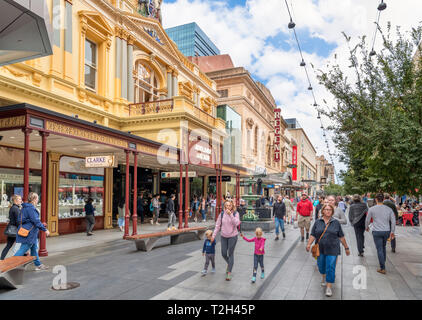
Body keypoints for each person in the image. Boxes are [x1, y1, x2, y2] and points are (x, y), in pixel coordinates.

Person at [306, 204, 350, 297]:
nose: (328, 211)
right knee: (321, 266)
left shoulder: (336, 223)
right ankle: (323, 276)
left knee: (330, 267)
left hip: (333, 248)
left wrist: (346, 247)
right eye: (326, 209)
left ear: (332, 212)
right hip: (320, 248)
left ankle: (329, 287)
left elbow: (341, 236)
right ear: (322, 211)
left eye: (330, 210)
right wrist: (309, 244)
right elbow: (313, 234)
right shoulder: (318, 222)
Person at [14, 192, 50, 271]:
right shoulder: (31, 208)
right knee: (23, 249)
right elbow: (36, 221)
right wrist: (45, 229)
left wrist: (27, 221)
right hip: (29, 233)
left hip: (28, 232)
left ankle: (38, 265)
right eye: (37, 198)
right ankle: (10, 264)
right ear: (33, 199)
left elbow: (20, 219)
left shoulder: (25, 207)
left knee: (34, 249)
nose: (38, 200)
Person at [365, 193, 396, 274]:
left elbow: (367, 220)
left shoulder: (372, 209)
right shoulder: (389, 209)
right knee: (383, 247)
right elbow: (393, 221)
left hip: (376, 231)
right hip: (386, 231)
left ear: (376, 199)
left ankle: (382, 267)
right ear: (383, 199)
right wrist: (392, 231)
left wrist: (366, 227)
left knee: (379, 249)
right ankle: (383, 262)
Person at [211, 199, 241, 281]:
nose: (228, 207)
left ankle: (229, 273)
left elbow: (237, 223)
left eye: (229, 205)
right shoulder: (221, 214)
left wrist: (231, 215)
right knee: (223, 253)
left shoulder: (235, 213)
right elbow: (217, 226)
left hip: (233, 236)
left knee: (230, 253)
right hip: (223, 236)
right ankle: (230, 263)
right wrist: (213, 236)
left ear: (232, 206)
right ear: (224, 206)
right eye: (226, 205)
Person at [1, 195, 22, 260]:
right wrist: (21, 229)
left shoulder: (13, 207)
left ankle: (1, 259)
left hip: (11, 229)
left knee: (9, 245)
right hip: (15, 230)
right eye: (19, 199)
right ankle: (17, 259)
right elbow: (18, 221)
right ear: (15, 200)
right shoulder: (16, 209)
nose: (21, 200)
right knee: (22, 245)